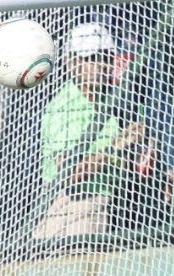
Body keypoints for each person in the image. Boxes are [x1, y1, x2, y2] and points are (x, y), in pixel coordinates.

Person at [35, 22, 148, 240]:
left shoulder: (119, 97)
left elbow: (136, 144)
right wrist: (116, 147)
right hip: (74, 203)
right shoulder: (63, 107)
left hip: (117, 199)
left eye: (104, 56)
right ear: (71, 62)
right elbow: (70, 174)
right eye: (89, 57)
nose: (98, 65)